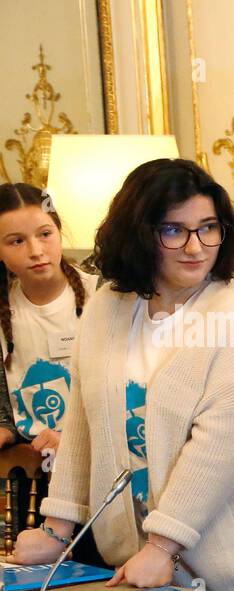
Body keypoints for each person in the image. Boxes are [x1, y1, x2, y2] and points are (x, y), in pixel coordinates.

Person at [9, 158, 234, 591]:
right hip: (139, 561)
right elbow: (82, 423)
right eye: (174, 230)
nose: (195, 247)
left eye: (208, 228)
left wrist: (162, 545)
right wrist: (57, 528)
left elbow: (218, 448)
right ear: (140, 233)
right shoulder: (107, 305)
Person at [0, 182, 100, 553]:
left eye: (45, 234)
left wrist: (72, 438)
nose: (36, 251)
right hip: (30, 482)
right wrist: (7, 429)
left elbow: (127, 390)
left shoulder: (103, 297)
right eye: (16, 241)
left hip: (95, 471)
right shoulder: (4, 311)